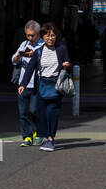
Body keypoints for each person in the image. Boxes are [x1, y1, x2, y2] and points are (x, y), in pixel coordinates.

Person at [17, 22, 70, 152]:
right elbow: (30, 69)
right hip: (42, 85)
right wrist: (23, 84)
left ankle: (50, 139)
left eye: (53, 35)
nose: (50, 38)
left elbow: (69, 63)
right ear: (43, 37)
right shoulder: (38, 52)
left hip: (56, 85)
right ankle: (44, 136)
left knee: (52, 112)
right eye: (47, 36)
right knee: (40, 113)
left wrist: (67, 65)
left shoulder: (61, 49)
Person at [10, 20, 43, 146]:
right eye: (27, 35)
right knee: (23, 112)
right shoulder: (24, 44)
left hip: (37, 83)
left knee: (33, 110)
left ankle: (39, 130)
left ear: (38, 34)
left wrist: (35, 55)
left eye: (32, 35)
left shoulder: (43, 45)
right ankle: (27, 136)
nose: (30, 38)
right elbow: (14, 60)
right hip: (23, 83)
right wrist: (17, 56)